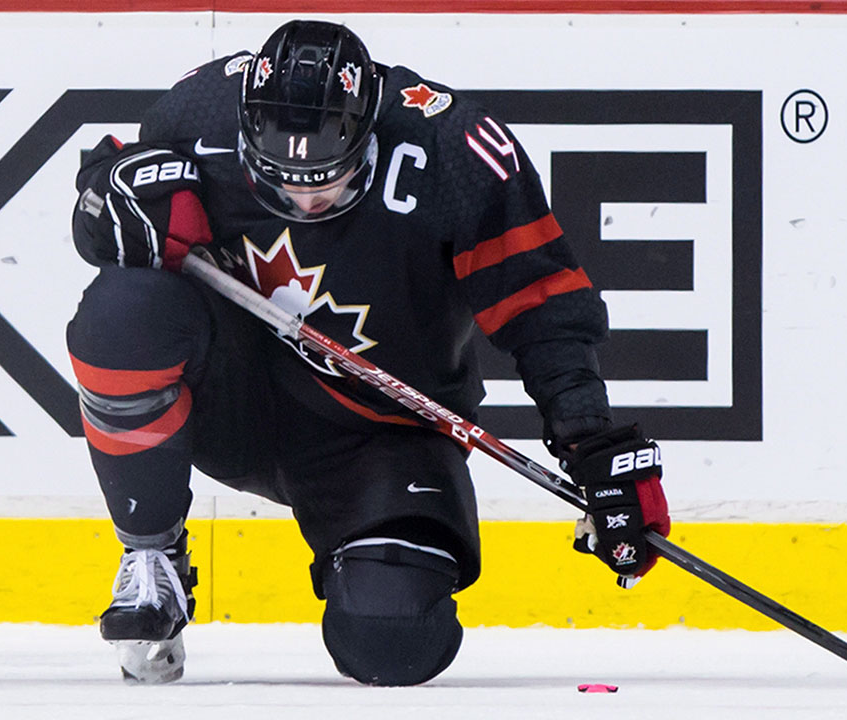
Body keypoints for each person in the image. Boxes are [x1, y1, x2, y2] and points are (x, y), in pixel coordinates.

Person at [66, 19, 670, 686]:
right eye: (281, 183)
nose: (303, 199)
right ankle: (152, 555)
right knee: (123, 310)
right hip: (235, 400)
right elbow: (110, 190)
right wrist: (110, 206)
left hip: (381, 434)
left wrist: (589, 443)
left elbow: (541, 304)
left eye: (325, 183)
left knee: (394, 642)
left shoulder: (455, 150)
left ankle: (372, 557)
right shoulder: (197, 111)